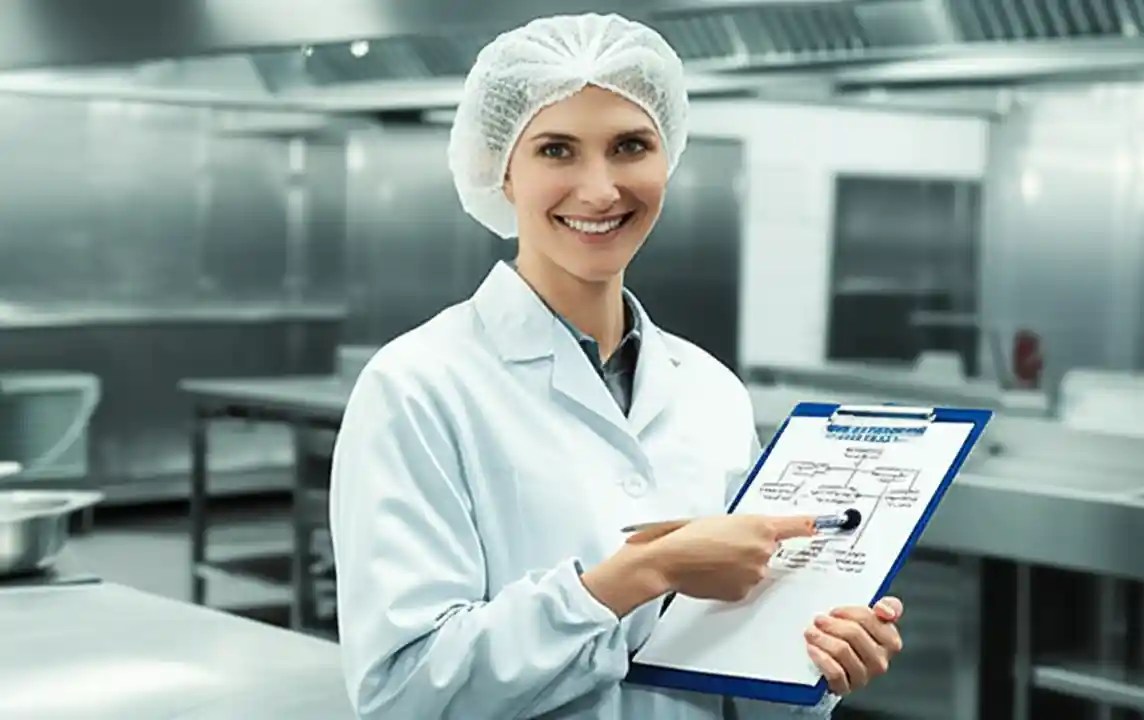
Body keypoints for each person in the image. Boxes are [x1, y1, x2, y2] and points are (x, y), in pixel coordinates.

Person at [329, 13, 904, 720]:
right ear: (501, 171)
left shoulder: (711, 393)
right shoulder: (418, 387)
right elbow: (403, 693)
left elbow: (738, 676)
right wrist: (640, 574)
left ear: (668, 159)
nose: (600, 190)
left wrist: (814, 662)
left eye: (631, 146)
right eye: (557, 150)